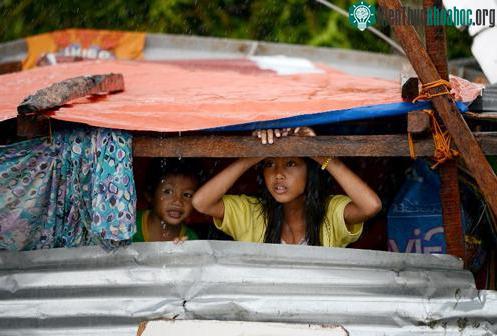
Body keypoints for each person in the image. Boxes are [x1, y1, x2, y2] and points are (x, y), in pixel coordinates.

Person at [192, 127, 381, 247]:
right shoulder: (250, 212)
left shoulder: (330, 211)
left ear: (310, 171)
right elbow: (201, 202)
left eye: (290, 163)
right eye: (269, 164)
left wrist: (322, 156)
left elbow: (370, 206)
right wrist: (254, 154)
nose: (278, 174)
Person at [133, 159, 199, 243]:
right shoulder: (129, 225)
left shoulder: (190, 239)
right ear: (150, 195)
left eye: (187, 195)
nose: (178, 201)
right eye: (168, 192)